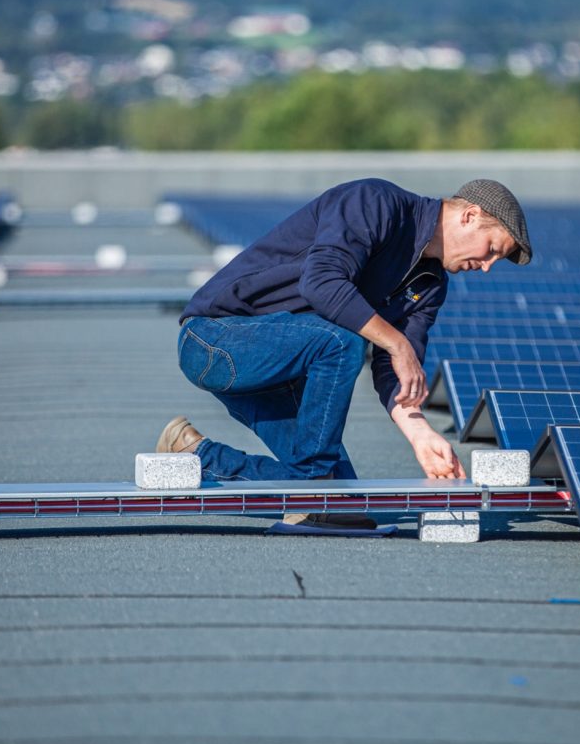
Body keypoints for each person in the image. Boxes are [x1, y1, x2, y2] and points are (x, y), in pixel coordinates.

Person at [156, 177, 531, 526]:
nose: (485, 267)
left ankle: (197, 457)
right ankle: (313, 483)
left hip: (282, 370)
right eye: (492, 250)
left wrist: (421, 436)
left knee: (343, 507)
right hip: (214, 339)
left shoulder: (430, 285)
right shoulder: (375, 203)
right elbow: (321, 282)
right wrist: (397, 342)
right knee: (341, 342)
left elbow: (393, 371)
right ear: (470, 216)